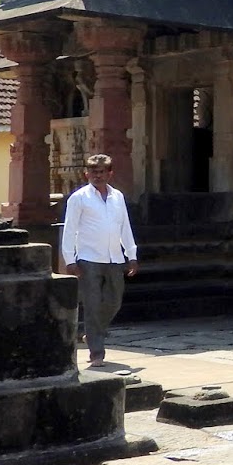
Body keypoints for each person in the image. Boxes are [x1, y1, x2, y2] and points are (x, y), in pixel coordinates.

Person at [60, 153, 138, 367]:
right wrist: (70, 259)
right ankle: (97, 352)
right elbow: (70, 230)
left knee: (114, 301)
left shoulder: (118, 197)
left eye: (102, 172)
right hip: (88, 258)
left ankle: (93, 332)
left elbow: (125, 226)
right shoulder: (79, 198)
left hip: (114, 257)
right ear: (86, 174)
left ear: (109, 174)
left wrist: (131, 254)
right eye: (93, 172)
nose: (97, 175)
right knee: (93, 304)